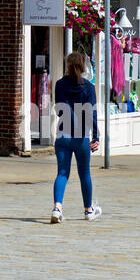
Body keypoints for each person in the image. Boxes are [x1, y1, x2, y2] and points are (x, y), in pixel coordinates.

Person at [51, 51, 102, 223]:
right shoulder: (88, 87)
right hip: (81, 137)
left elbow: (59, 110)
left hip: (63, 135)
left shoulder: (59, 85)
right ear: (83, 66)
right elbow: (92, 113)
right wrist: (96, 137)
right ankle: (88, 210)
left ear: (67, 66)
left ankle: (57, 208)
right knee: (84, 173)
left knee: (62, 173)